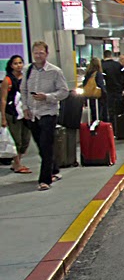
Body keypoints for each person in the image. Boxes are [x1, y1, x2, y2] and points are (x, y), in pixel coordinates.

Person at [21, 41, 69, 191]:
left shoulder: (55, 71)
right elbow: (23, 90)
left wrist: (47, 96)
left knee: (46, 145)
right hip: (33, 114)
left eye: (41, 53)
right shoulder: (28, 70)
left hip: (48, 113)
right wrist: (25, 107)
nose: (38, 55)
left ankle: (44, 180)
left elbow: (64, 91)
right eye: (36, 52)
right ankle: (53, 168)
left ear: (46, 54)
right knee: (41, 146)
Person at [1, 55, 31, 173]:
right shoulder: (7, 80)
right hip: (12, 113)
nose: (18, 65)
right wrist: (3, 117)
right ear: (11, 65)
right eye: (15, 63)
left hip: (25, 112)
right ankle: (17, 163)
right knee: (16, 140)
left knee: (25, 140)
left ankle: (17, 162)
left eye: (20, 63)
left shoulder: (26, 78)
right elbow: (3, 99)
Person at [102, 51, 124, 128]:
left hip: (108, 92)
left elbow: (102, 80)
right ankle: (120, 128)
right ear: (111, 55)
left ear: (104, 56)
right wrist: (122, 87)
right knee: (119, 111)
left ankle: (111, 128)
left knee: (110, 111)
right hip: (119, 91)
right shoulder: (118, 65)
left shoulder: (102, 66)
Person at [83, 57, 107, 121]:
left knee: (93, 114)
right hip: (97, 97)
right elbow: (100, 85)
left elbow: (84, 85)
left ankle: (92, 128)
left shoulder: (88, 73)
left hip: (90, 97)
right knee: (99, 115)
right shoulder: (98, 73)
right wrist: (105, 95)